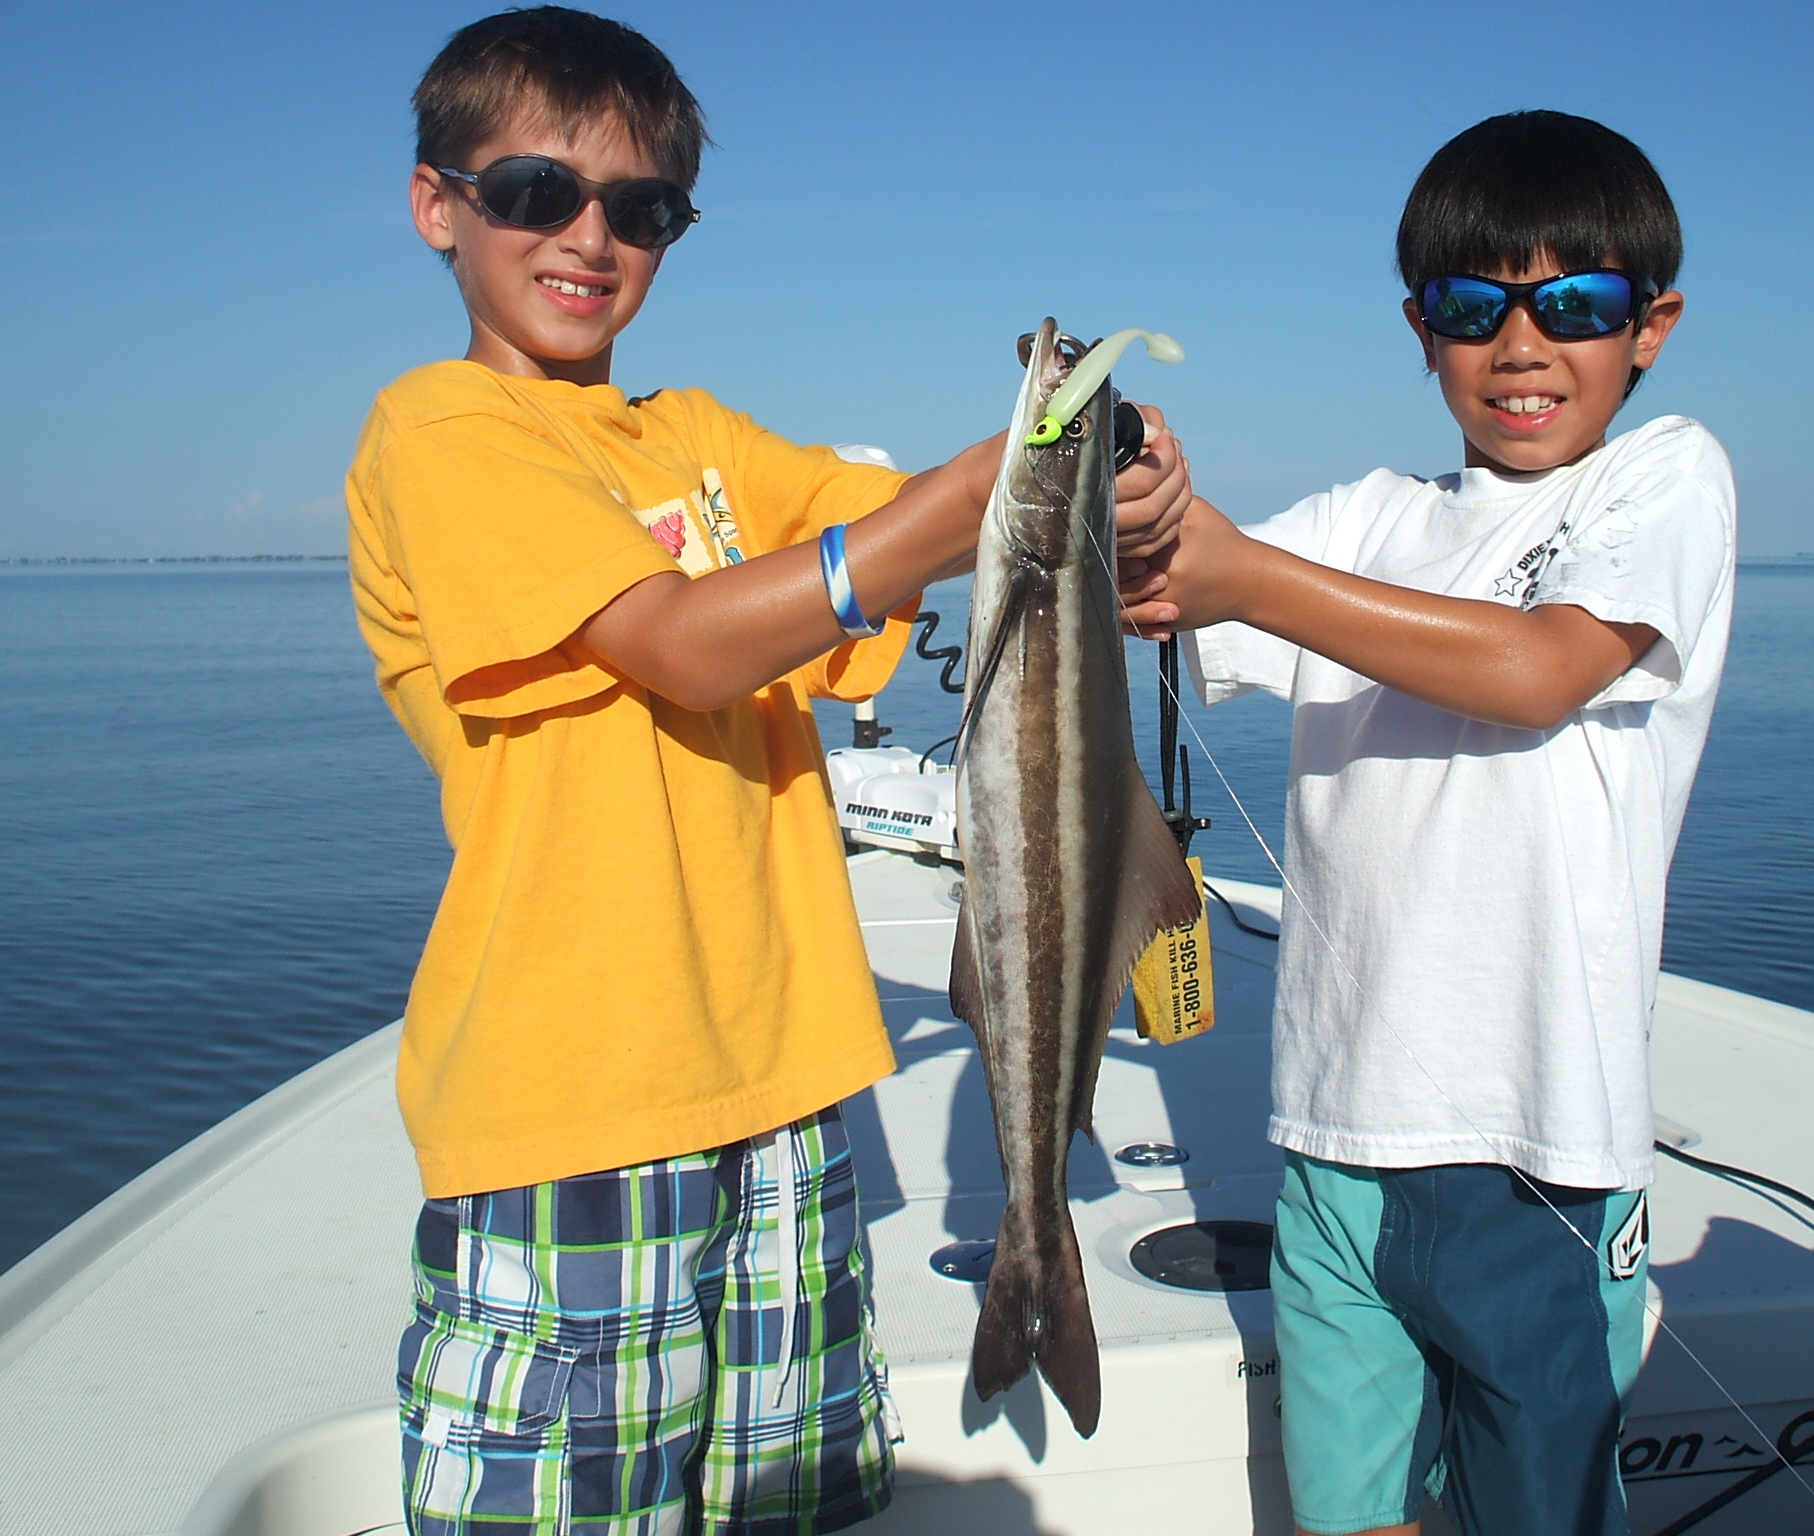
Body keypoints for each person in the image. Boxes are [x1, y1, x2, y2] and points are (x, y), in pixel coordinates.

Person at [345, 9, 1188, 1532]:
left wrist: (1102, 475)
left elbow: (908, 522)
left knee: (780, 1505)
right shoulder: (442, 430)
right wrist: (982, 496)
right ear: (437, 205)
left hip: (792, 1090)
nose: (589, 236)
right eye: (538, 190)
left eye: (641, 208)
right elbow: (677, 642)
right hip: (573, 1113)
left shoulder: (698, 440)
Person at [1119, 111, 1735, 1536]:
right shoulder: (1367, 518)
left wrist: (1241, 575)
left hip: (1537, 1153)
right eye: (1475, 307)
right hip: (1334, 1140)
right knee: (1358, 1516)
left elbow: (1537, 672)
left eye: (1575, 304)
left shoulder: (1664, 480)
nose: (1523, 346)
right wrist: (1138, 503)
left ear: (1652, 325)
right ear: (1422, 325)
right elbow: (1165, 601)